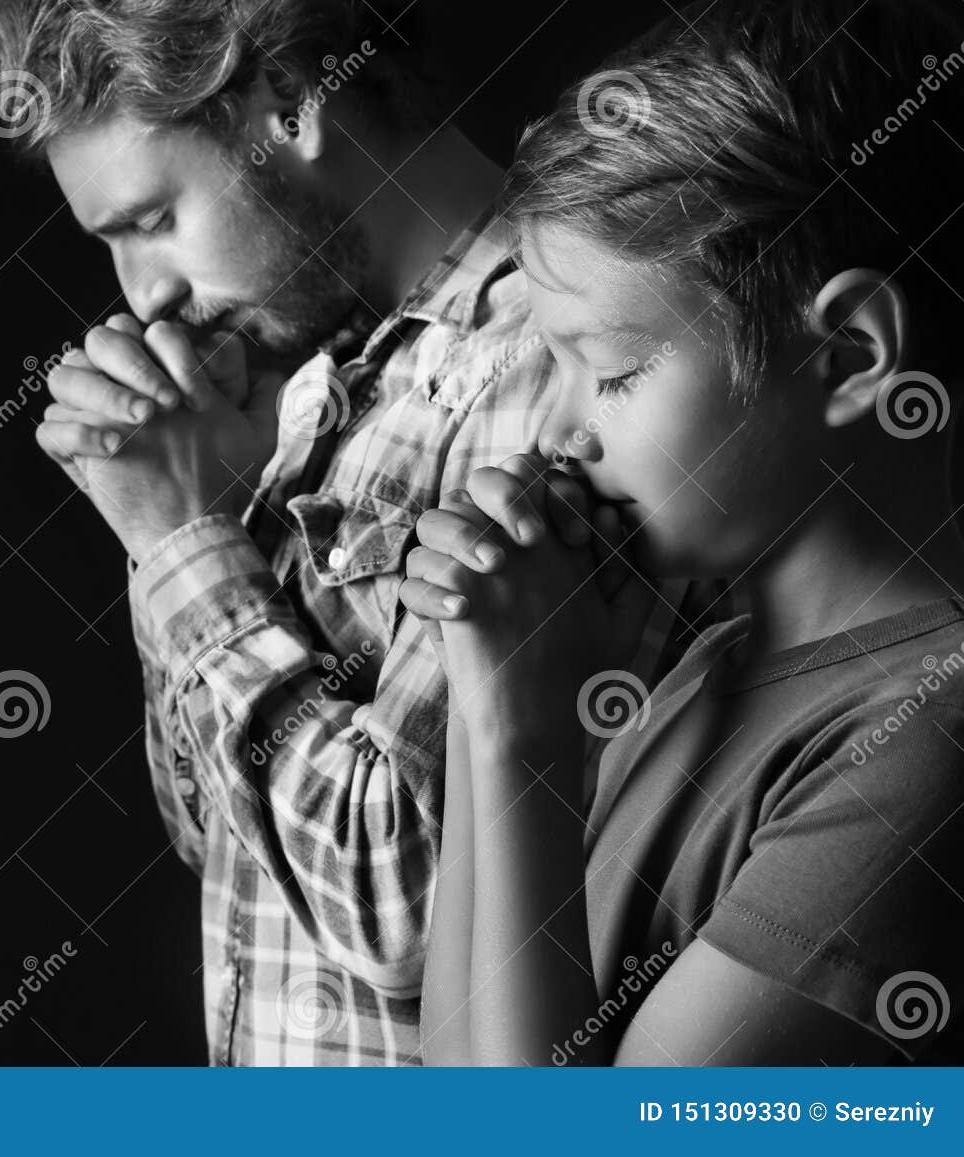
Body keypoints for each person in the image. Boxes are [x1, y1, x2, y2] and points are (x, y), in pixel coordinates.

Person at [0, 0, 703, 1063]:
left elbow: (402, 910)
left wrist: (181, 539)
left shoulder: (561, 362)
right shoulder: (323, 380)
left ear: (288, 107)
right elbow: (217, 837)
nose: (144, 295)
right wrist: (203, 525)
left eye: (148, 221)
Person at [403, 0, 964, 1064]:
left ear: (847, 358)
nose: (560, 431)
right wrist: (496, 711)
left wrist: (523, 733)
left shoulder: (926, 745)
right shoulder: (703, 667)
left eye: (611, 371)